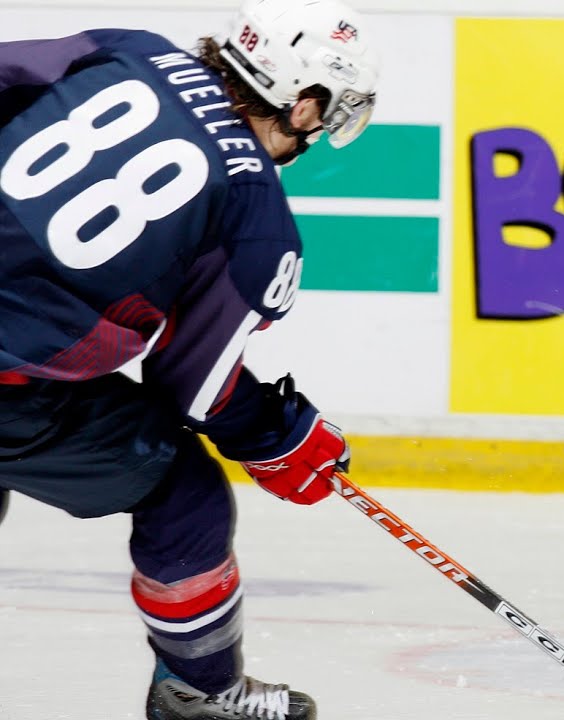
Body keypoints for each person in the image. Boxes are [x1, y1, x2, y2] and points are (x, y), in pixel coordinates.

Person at [0, 0, 378, 717]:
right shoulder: (257, 216)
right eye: (328, 111)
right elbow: (192, 390)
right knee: (183, 490)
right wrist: (277, 433)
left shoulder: (130, 49)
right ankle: (202, 693)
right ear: (302, 103)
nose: (322, 131)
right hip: (10, 384)